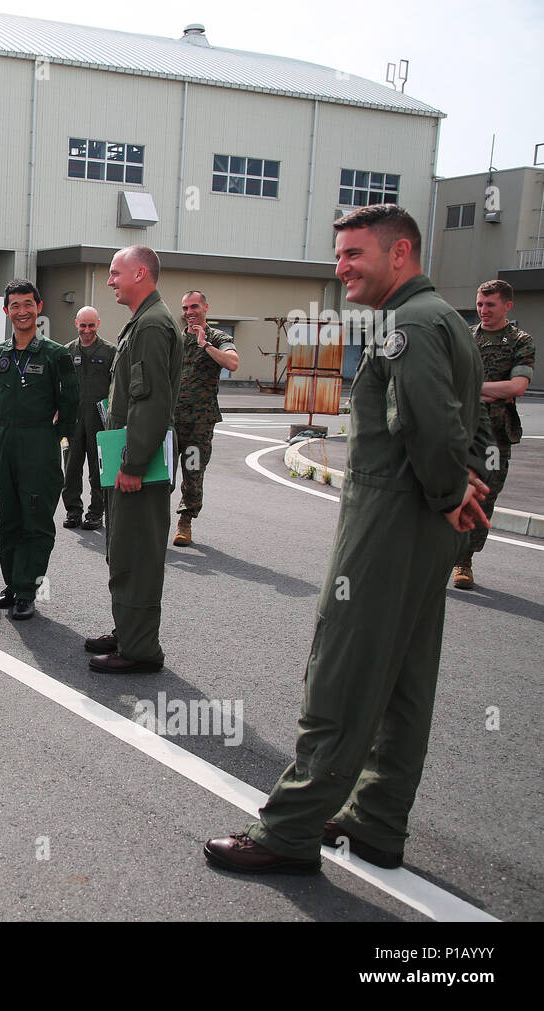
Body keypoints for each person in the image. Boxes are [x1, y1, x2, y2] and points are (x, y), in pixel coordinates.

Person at [204, 205, 493, 875]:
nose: (341, 267)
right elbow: (464, 423)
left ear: (400, 254)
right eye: (338, 254)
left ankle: (291, 828)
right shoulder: (448, 320)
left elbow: (427, 420)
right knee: (404, 679)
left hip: (389, 522)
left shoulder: (409, 326)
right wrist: (457, 490)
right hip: (422, 528)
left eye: (354, 253)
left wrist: (451, 491)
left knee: (342, 669)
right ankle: (377, 819)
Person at [86, 246, 183, 673]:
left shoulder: (151, 325)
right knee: (122, 548)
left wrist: (133, 464)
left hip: (138, 463)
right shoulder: (143, 322)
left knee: (137, 554)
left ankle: (140, 650)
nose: (110, 281)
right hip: (129, 455)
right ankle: (128, 632)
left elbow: (149, 403)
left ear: (140, 273)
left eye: (115, 273)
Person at [0, 279, 78, 620]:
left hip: (40, 441)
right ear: (6, 310)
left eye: (28, 304)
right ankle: (12, 585)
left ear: (39, 307)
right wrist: (5, 429)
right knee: (7, 515)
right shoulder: (0, 354)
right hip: (5, 440)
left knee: (35, 520)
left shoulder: (56, 354)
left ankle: (28, 590)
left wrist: (54, 437)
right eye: (15, 305)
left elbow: (70, 404)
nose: (21, 311)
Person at [452, 279, 534, 589]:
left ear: (507, 306)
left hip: (496, 437)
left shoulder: (519, 341)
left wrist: (469, 389)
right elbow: (447, 379)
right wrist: (491, 390)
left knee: (482, 498)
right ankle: (437, 555)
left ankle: (464, 561)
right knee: (442, 488)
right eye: (480, 305)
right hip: (457, 427)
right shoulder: (464, 337)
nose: (483, 311)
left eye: (491, 305)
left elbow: (517, 387)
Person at [172, 290, 239, 547]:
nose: (189, 312)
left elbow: (233, 363)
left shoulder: (218, 337)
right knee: (162, 473)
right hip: (172, 420)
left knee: (193, 472)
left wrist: (205, 345)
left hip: (200, 422)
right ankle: (153, 523)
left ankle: (184, 522)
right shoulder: (176, 339)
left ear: (206, 308)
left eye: (194, 307)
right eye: (185, 308)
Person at [61, 305, 116, 531]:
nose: (86, 330)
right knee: (71, 468)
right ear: (76, 324)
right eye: (83, 325)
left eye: (91, 325)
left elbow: (116, 385)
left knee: (98, 468)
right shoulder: (66, 351)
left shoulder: (110, 351)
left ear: (98, 324)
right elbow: (59, 385)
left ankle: (95, 513)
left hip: (99, 421)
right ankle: (73, 511)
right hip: (72, 421)